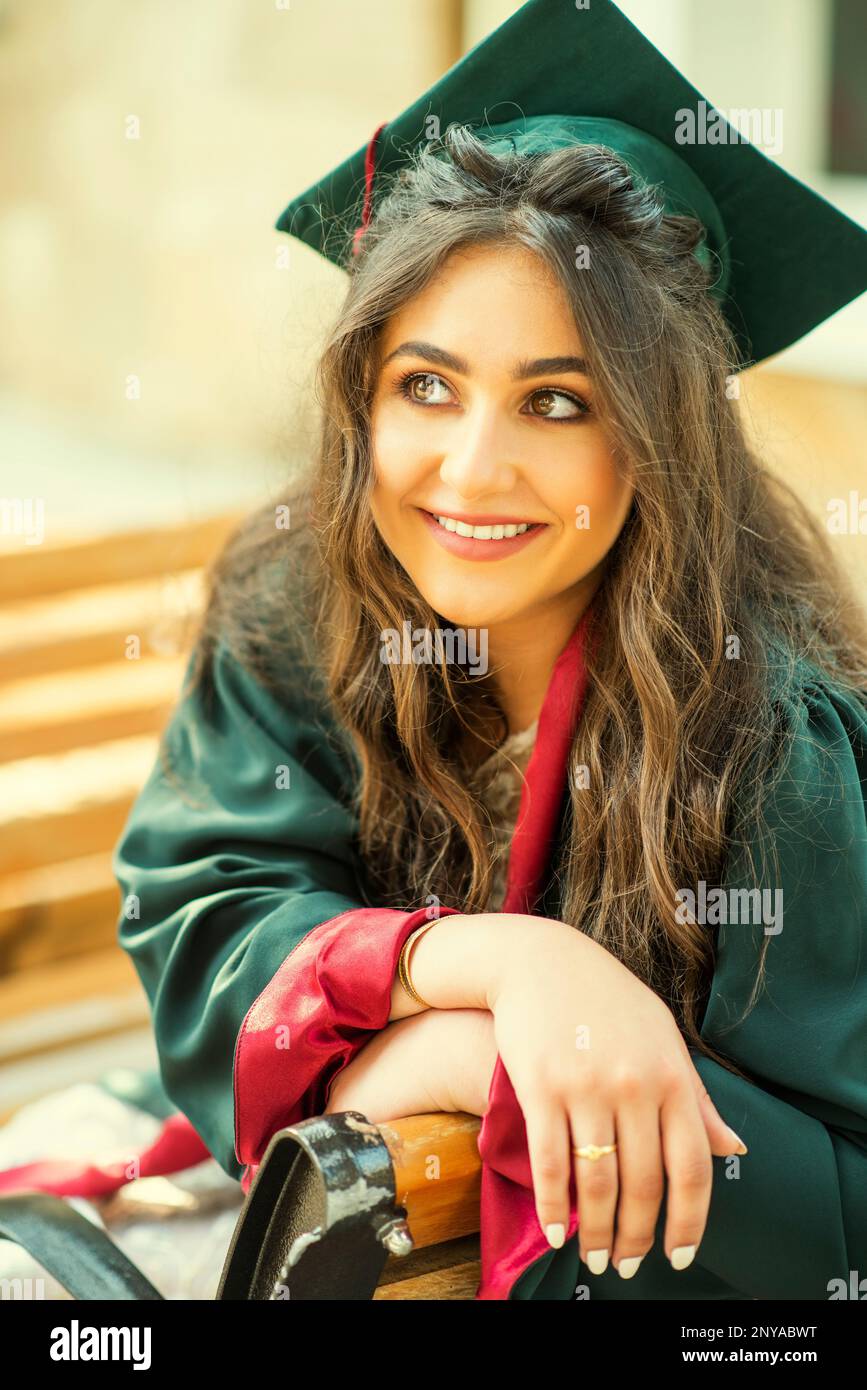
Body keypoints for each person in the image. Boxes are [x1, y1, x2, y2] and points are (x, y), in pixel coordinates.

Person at [6, 0, 867, 1302]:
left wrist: (472, 1080)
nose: (472, 470)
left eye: (558, 399)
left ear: (663, 435)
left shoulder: (773, 746)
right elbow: (209, 922)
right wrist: (493, 980)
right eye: (426, 383)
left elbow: (823, 1216)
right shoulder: (297, 609)